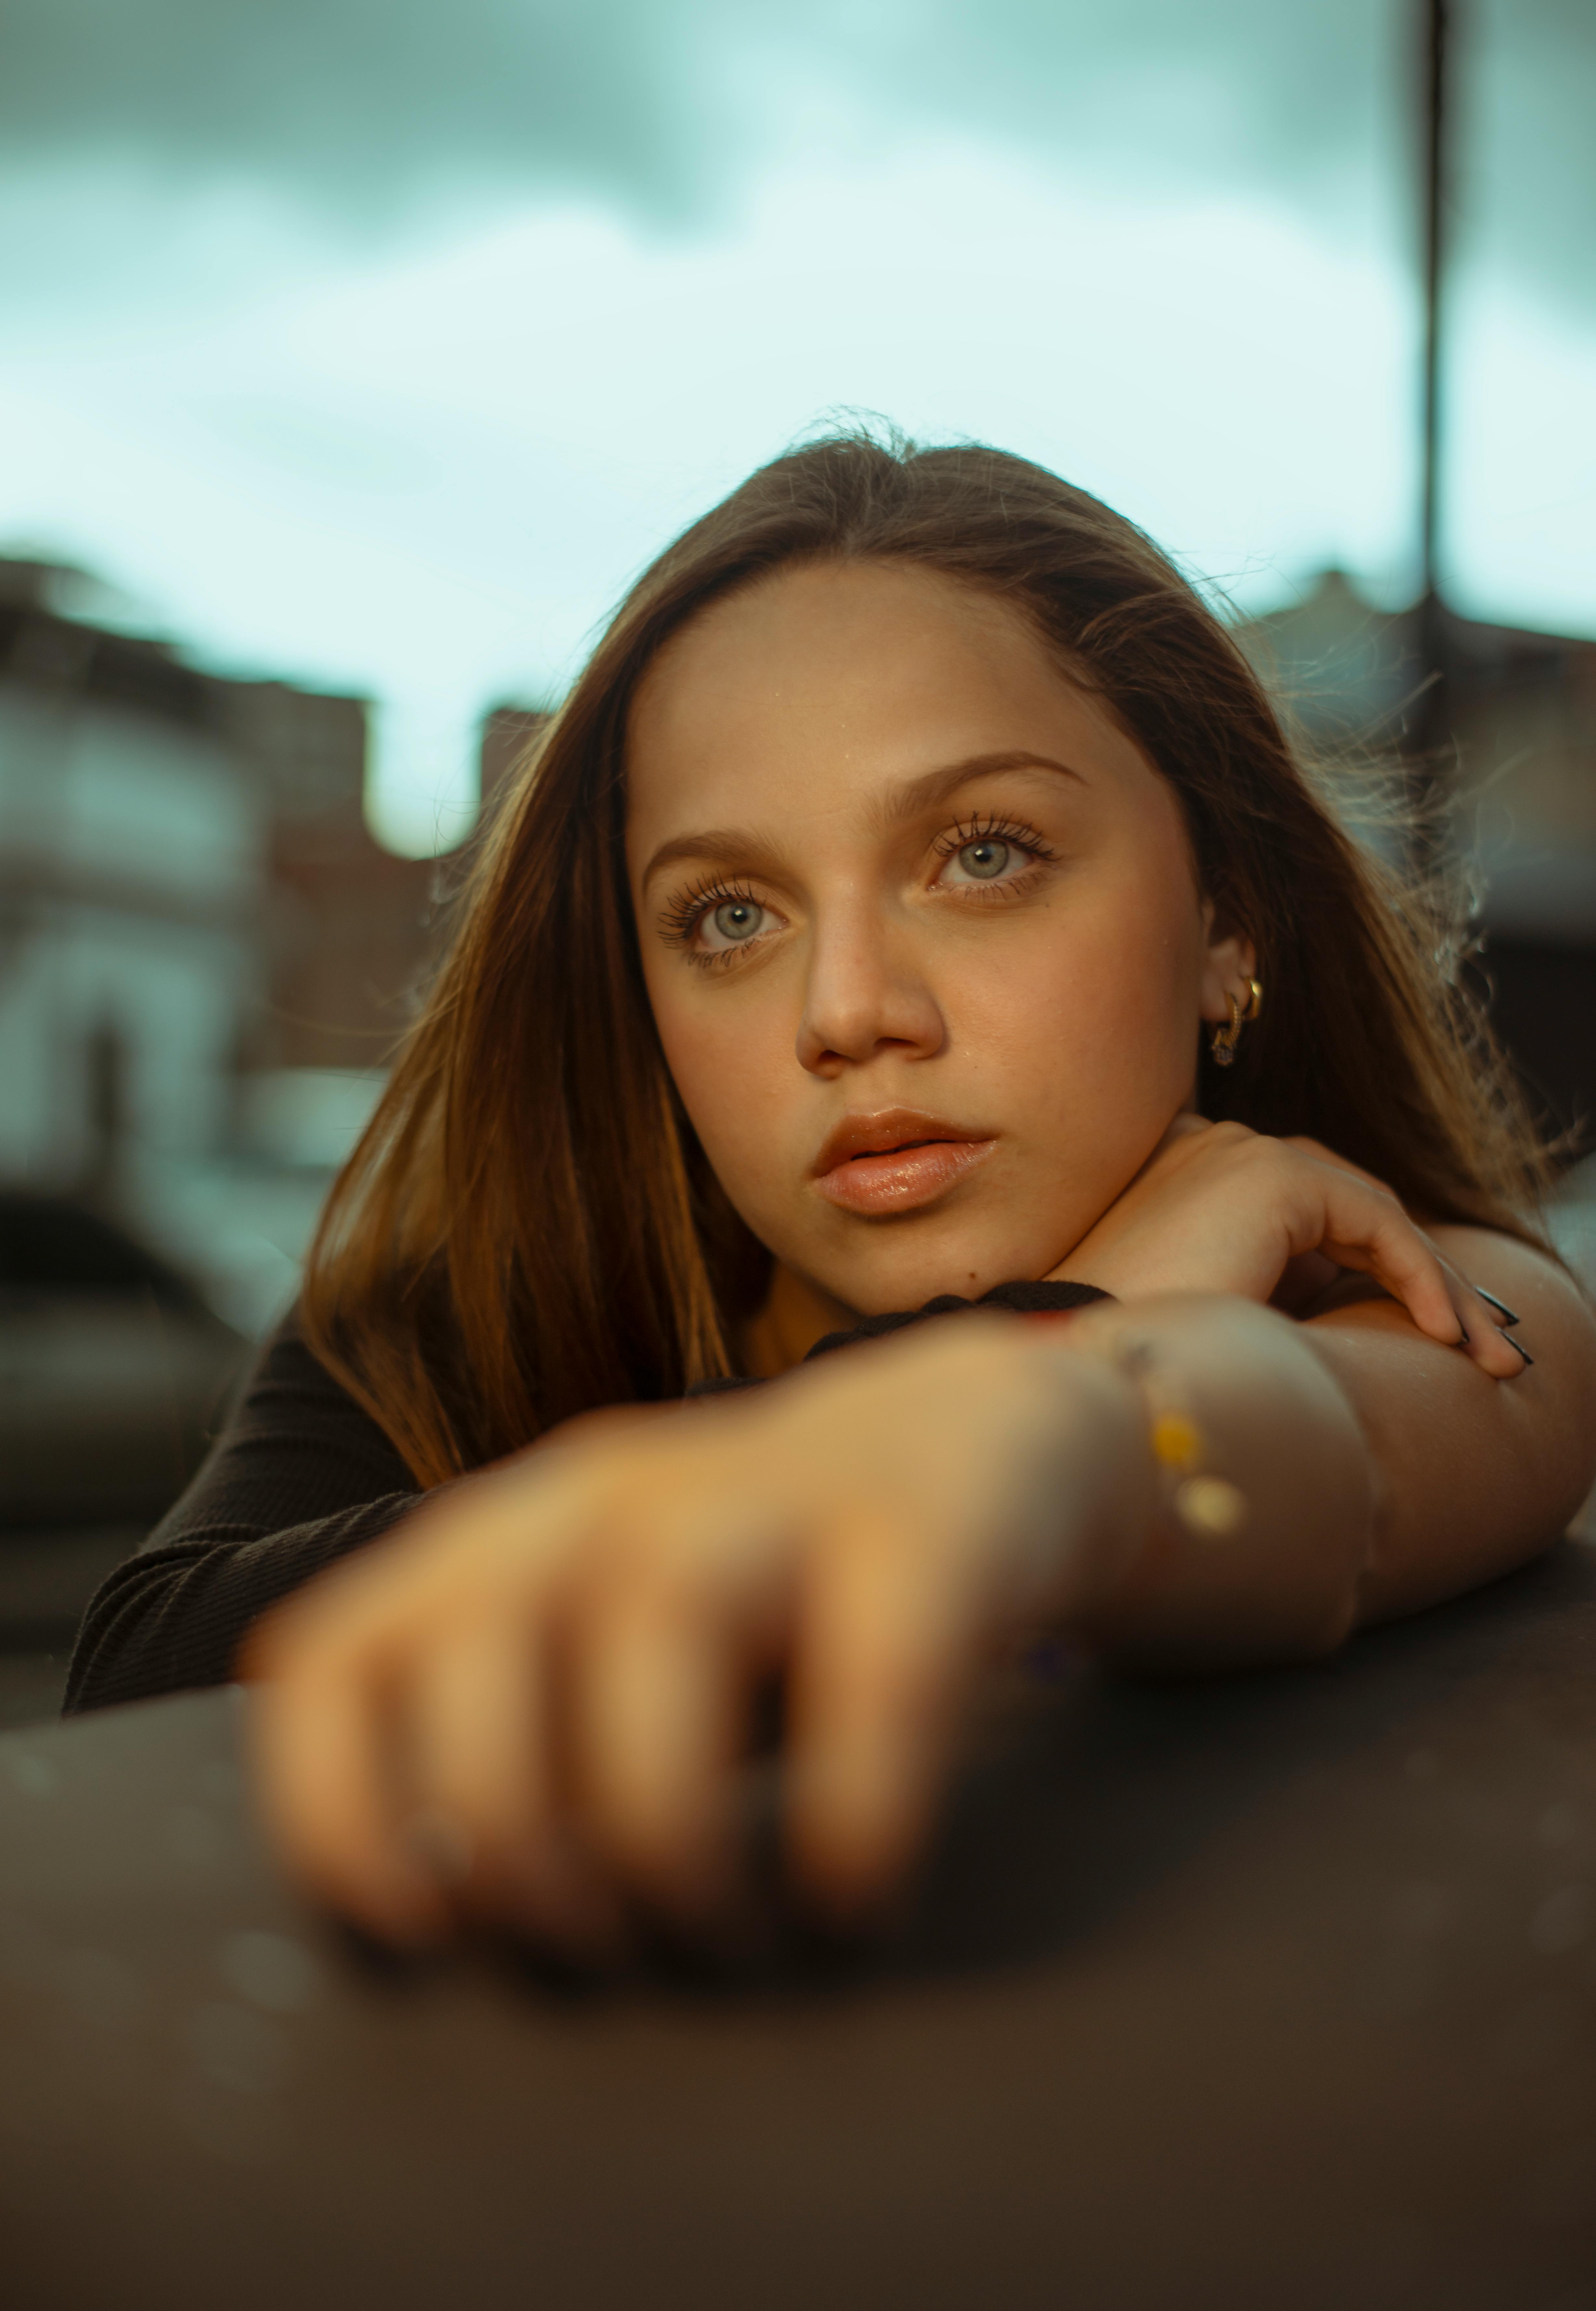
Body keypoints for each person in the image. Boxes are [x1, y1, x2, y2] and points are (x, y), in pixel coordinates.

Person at [67, 432, 1596, 1958]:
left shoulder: (1411, 1289)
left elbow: (1312, 1450)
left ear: (1226, 914)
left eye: (982, 853)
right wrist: (1071, 1316)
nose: (848, 1009)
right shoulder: (450, 1313)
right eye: (729, 914)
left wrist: (1062, 1424)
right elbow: (149, 1693)